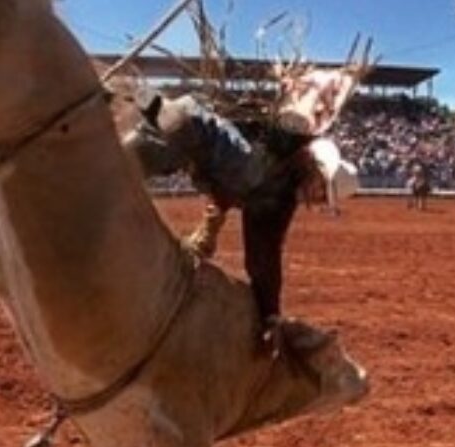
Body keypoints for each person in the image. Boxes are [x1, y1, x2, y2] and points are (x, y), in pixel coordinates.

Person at [123, 92, 315, 326]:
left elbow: (262, 257)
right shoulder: (271, 188)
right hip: (184, 134)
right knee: (117, 166)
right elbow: (264, 259)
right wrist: (270, 315)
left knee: (117, 162)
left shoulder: (263, 159)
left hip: (185, 124)